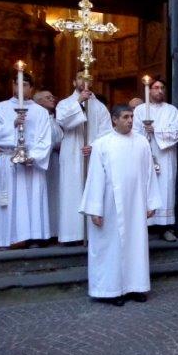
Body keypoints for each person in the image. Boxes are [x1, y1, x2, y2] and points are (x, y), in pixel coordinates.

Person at [79, 105, 160, 306]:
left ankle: (136, 286)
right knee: (111, 247)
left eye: (131, 117)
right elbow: (95, 177)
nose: (130, 120)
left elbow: (149, 173)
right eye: (125, 117)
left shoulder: (141, 142)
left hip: (135, 204)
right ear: (114, 120)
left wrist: (151, 202)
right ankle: (111, 290)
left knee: (136, 245)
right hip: (110, 205)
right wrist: (95, 209)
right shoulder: (102, 144)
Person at [0, 72, 52, 248]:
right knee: (7, 201)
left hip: (31, 164)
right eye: (17, 84)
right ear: (12, 86)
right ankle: (3, 239)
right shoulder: (1, 108)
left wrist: (32, 156)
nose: (20, 88)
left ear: (32, 88)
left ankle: (33, 237)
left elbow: (45, 139)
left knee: (31, 199)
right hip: (9, 160)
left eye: (25, 85)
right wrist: (12, 124)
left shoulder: (40, 112)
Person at [56, 71, 112, 244]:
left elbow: (107, 132)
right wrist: (79, 102)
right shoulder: (65, 103)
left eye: (87, 78)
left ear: (92, 81)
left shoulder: (100, 107)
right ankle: (71, 234)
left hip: (93, 154)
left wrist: (94, 146)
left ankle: (92, 233)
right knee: (71, 190)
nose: (84, 81)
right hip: (72, 152)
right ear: (74, 82)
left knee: (93, 189)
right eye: (80, 78)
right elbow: (63, 122)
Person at [133, 77, 178, 242]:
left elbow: (176, 133)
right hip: (145, 154)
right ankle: (143, 228)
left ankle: (165, 228)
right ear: (149, 90)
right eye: (156, 87)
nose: (159, 91)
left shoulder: (171, 111)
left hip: (165, 156)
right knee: (144, 188)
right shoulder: (140, 110)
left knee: (165, 189)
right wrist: (145, 133)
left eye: (162, 88)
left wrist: (156, 130)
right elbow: (133, 132)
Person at [33, 90, 63, 242]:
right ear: (38, 102)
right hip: (43, 161)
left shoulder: (54, 118)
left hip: (55, 161)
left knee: (55, 194)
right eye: (48, 97)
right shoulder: (38, 118)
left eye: (53, 96)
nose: (52, 99)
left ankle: (55, 230)